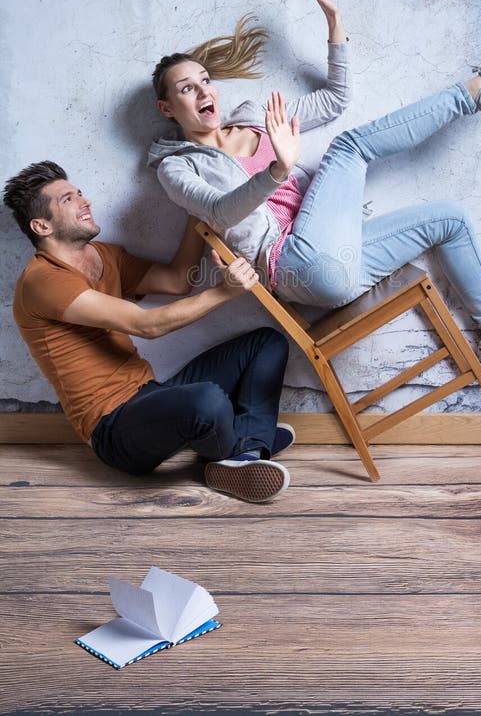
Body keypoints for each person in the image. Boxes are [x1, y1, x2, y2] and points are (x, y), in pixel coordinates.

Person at [148, 0, 481, 386]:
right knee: (348, 147)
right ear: (167, 109)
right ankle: (475, 91)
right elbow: (219, 212)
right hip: (294, 266)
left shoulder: (256, 117)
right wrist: (278, 170)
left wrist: (334, 23)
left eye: (206, 81)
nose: (204, 93)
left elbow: (334, 100)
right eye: (186, 89)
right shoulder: (176, 167)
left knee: (449, 220)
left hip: (337, 259)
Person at [3, 161, 295, 503]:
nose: (85, 201)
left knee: (266, 344)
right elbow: (146, 325)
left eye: (80, 192)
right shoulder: (42, 281)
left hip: (151, 394)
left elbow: (177, 280)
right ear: (41, 225)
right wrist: (223, 292)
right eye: (68, 199)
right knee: (208, 400)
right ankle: (244, 442)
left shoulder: (104, 255)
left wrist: (196, 209)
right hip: (114, 430)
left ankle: (243, 449)